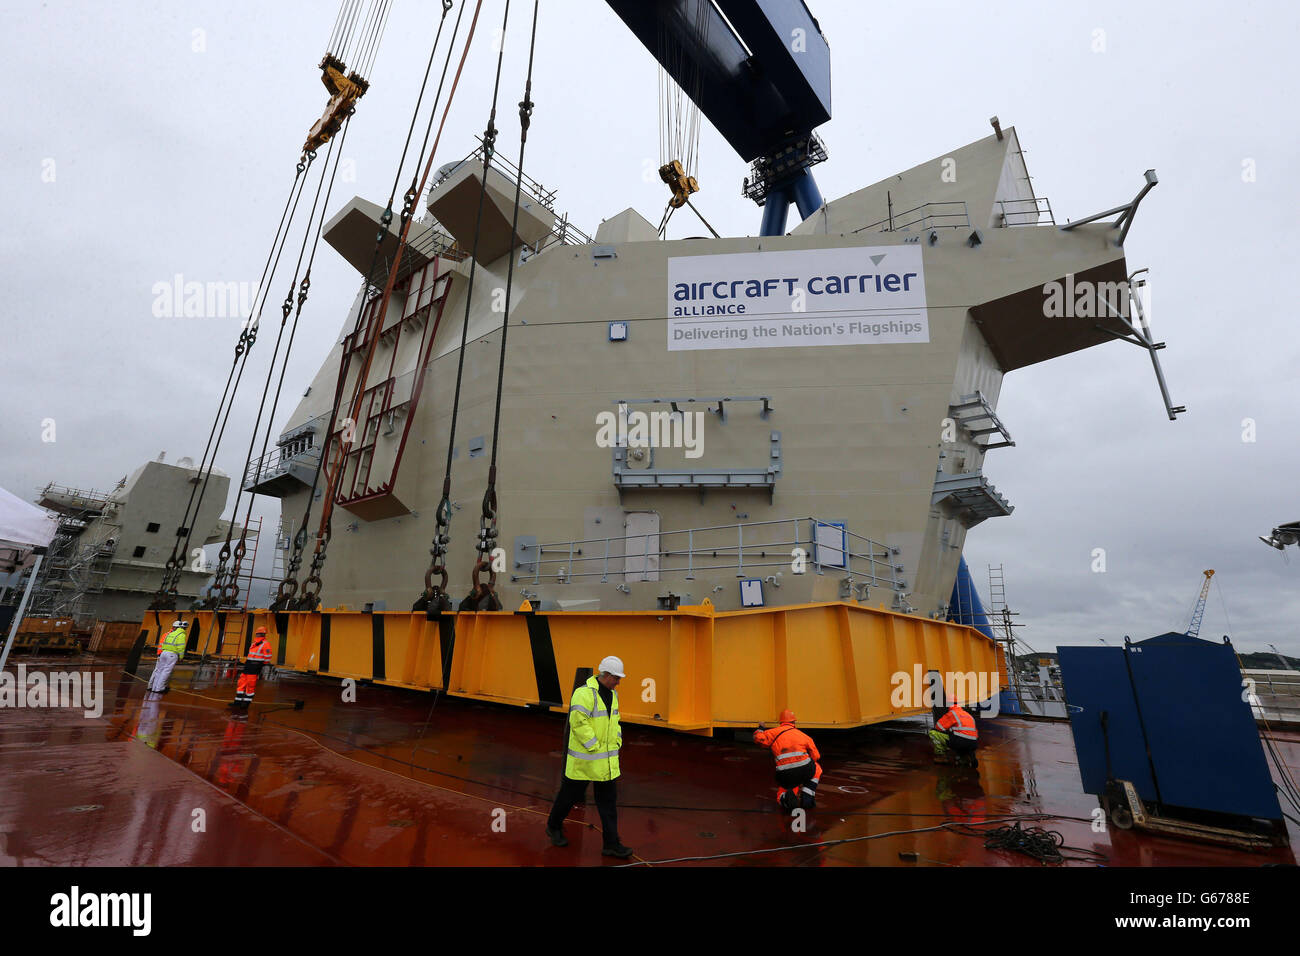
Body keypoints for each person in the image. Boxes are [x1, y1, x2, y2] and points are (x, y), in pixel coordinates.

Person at [545, 655, 632, 858]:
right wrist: (594, 746)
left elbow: (615, 723)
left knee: (608, 804)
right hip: (585, 761)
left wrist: (617, 741)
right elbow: (578, 722)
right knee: (568, 797)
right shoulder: (583, 694)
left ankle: (611, 844)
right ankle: (553, 826)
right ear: (606, 675)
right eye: (616, 678)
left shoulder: (613, 695)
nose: (619, 682)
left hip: (606, 764)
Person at [754, 710, 822, 811]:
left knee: (788, 785)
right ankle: (807, 798)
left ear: (781, 722)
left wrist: (761, 728)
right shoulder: (804, 736)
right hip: (804, 770)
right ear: (794, 722)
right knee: (817, 768)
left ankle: (785, 798)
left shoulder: (773, 733)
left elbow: (758, 739)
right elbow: (816, 756)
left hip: (785, 774)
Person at [232, 626, 274, 709]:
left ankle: (246, 704)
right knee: (241, 683)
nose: (258, 635)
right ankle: (237, 703)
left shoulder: (265, 644)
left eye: (260, 634)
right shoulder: (253, 644)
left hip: (254, 667)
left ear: (262, 634)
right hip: (248, 666)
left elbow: (268, 657)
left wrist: (261, 664)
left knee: (250, 686)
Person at [930, 699, 978, 766]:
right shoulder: (968, 715)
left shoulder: (952, 713)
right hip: (973, 744)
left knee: (933, 733)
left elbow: (938, 727)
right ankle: (965, 757)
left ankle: (941, 756)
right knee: (960, 739)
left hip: (960, 742)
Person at [147, 620, 187, 694]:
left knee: (159, 671)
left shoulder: (169, 634)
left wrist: (160, 654)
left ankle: (154, 688)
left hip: (163, 653)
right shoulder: (181, 635)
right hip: (171, 654)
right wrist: (181, 657)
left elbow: (163, 644)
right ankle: (159, 688)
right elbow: (181, 648)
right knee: (166, 671)